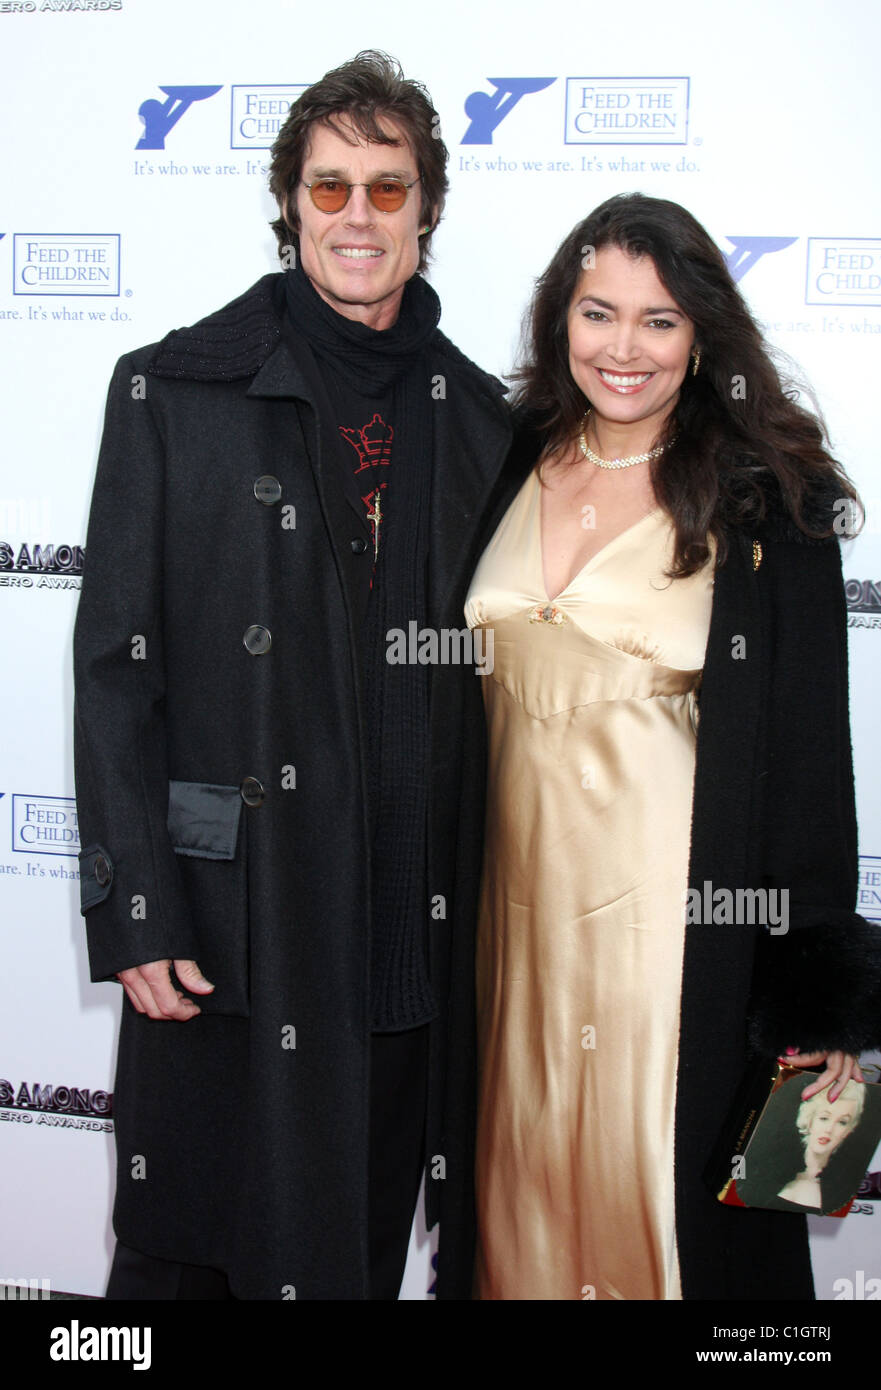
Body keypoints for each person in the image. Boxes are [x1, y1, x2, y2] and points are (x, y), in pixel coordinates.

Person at [73, 50, 510, 1300]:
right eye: (329, 189)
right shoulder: (174, 389)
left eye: (387, 188)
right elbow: (113, 669)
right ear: (288, 205)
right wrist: (138, 910)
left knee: (347, 1261)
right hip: (228, 926)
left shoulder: (484, 425)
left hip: (393, 949)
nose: (357, 218)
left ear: (427, 208)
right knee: (186, 1258)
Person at [437, 193, 881, 1300]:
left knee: (686, 1247)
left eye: (657, 320)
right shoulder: (503, 459)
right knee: (513, 1224)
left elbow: (811, 762)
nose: (621, 347)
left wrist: (814, 996)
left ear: (700, 338)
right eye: (597, 313)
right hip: (509, 948)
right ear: (558, 321)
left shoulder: (769, 501)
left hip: (682, 962)